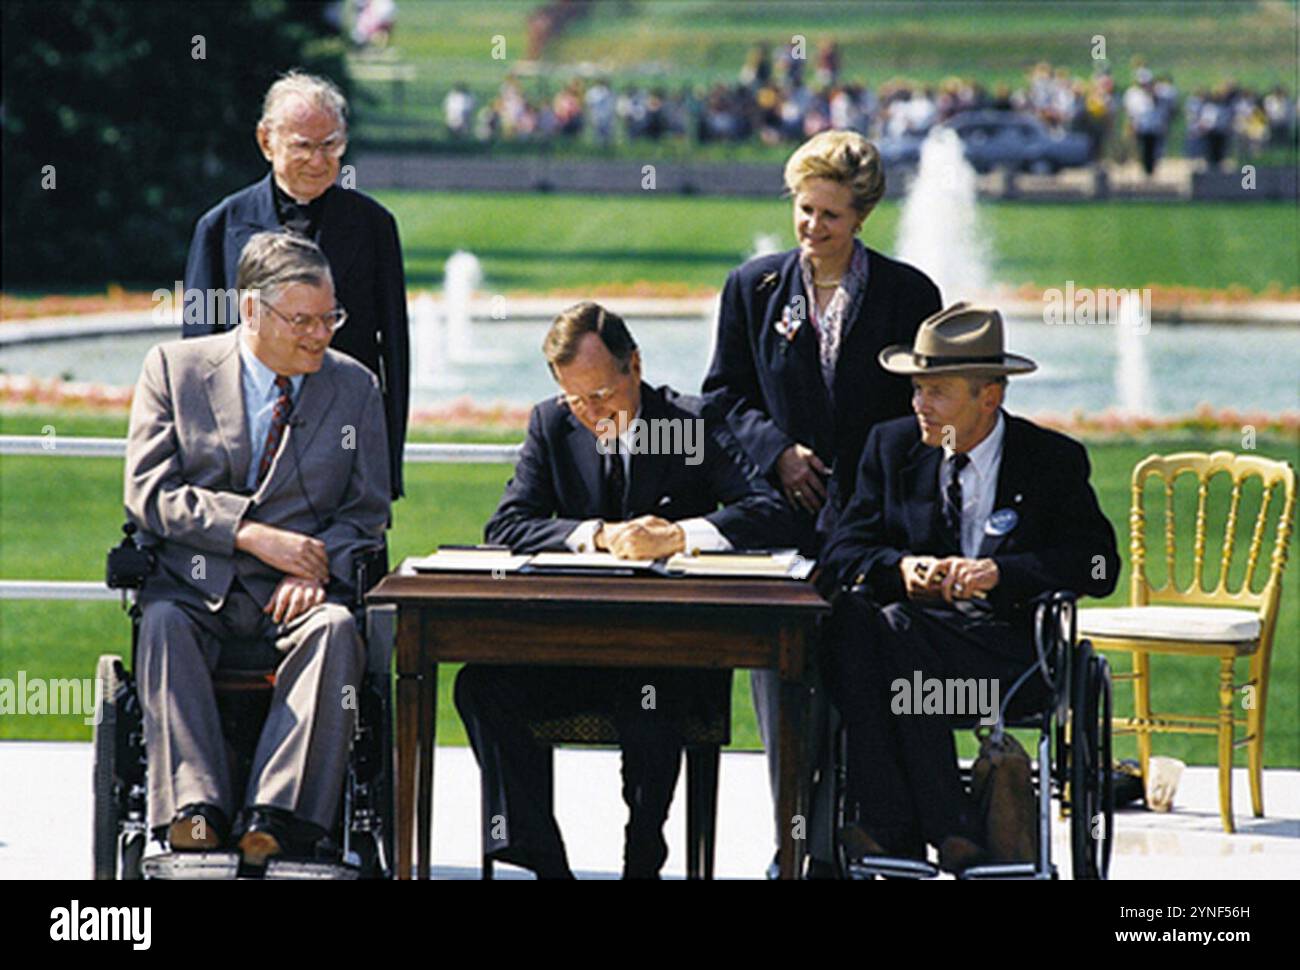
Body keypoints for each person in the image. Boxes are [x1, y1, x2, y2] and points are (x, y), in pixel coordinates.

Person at [455, 302, 793, 879]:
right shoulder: (552, 424)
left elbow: (768, 511)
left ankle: (643, 857)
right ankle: (544, 862)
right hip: (574, 650)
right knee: (482, 687)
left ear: (633, 364)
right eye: (577, 400)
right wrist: (597, 535)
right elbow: (508, 524)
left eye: (603, 397)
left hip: (668, 655)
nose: (592, 415)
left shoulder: (684, 425)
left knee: (650, 702)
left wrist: (679, 536)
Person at [702, 128, 941, 876]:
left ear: (861, 216)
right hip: (781, 520)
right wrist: (777, 451)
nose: (812, 228)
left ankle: (873, 835)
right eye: (804, 211)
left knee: (863, 664)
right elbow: (721, 396)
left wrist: (865, 480)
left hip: (874, 525)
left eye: (829, 216)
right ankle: (793, 841)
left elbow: (923, 412)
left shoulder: (909, 295)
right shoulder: (754, 288)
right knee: (780, 676)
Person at [818, 302, 1119, 873]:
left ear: (989, 397)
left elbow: (1101, 568)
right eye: (916, 390)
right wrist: (901, 568)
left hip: (1004, 660)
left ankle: (895, 826)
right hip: (910, 656)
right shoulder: (891, 448)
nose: (918, 406)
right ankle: (948, 828)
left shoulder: (1051, 461)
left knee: (886, 633)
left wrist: (1004, 572)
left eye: (936, 392)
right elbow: (840, 554)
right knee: (859, 620)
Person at [124, 232, 391, 864]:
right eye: (302, 321)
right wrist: (248, 534)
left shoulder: (354, 388)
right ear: (251, 311)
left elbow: (367, 512)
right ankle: (196, 810)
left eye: (331, 317)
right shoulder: (174, 369)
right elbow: (149, 492)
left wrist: (318, 565)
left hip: (298, 595)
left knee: (333, 629)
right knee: (161, 622)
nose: (320, 335)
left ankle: (278, 817)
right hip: (197, 584)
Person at [183, 70, 409, 501]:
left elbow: (394, 353)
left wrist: (386, 469)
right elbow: (197, 355)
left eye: (331, 146)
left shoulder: (375, 226)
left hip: (343, 446)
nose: (318, 160)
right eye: (302, 146)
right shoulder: (218, 227)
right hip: (242, 452)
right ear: (267, 141)